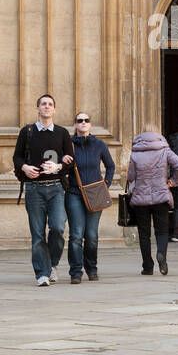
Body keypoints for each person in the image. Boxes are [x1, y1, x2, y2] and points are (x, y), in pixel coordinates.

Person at [12, 94, 75, 287]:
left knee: (57, 228)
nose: (47, 107)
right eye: (43, 104)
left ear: (54, 110)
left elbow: (71, 162)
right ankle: (42, 273)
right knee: (38, 233)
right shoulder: (27, 131)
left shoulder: (62, 133)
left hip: (56, 188)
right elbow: (17, 157)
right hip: (34, 189)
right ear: (37, 109)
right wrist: (24, 168)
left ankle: (53, 264)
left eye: (50, 105)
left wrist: (58, 168)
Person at [126, 124, 178, 276]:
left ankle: (147, 266)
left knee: (144, 233)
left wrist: (137, 184)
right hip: (161, 196)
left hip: (140, 198)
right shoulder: (164, 150)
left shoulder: (135, 152)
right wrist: (173, 181)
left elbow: (131, 177)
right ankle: (162, 257)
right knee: (162, 231)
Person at [66, 111, 115, 283]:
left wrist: (105, 185)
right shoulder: (69, 145)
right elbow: (61, 169)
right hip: (74, 194)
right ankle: (76, 272)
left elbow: (110, 166)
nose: (83, 123)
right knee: (76, 235)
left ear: (90, 124)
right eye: (80, 120)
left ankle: (92, 269)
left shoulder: (99, 144)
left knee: (92, 235)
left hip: (95, 194)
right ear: (75, 125)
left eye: (86, 120)